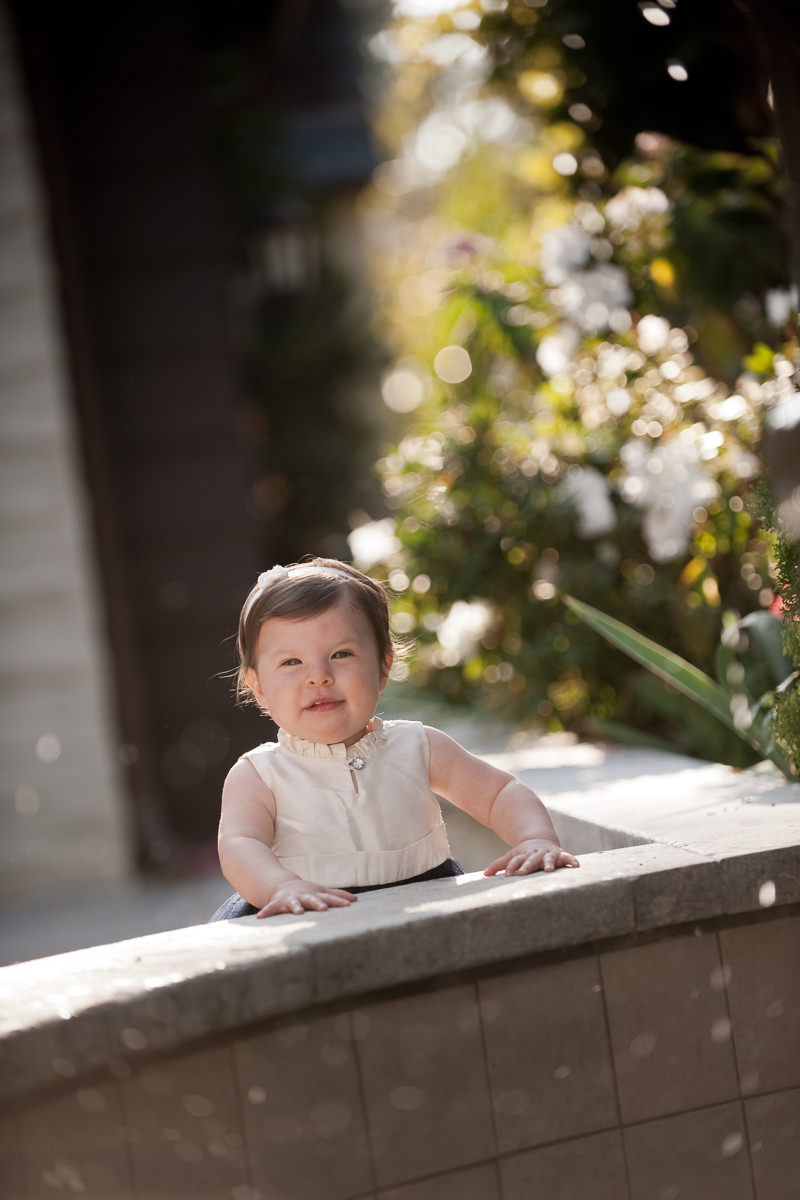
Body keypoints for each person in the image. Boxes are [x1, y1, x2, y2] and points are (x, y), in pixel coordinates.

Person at [210, 558, 578, 921]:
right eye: (292, 662)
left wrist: (535, 838)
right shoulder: (259, 775)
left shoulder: (418, 746)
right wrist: (278, 887)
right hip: (306, 910)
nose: (318, 676)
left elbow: (499, 793)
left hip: (425, 894)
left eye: (341, 654)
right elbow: (241, 845)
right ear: (257, 686)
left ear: (383, 667)